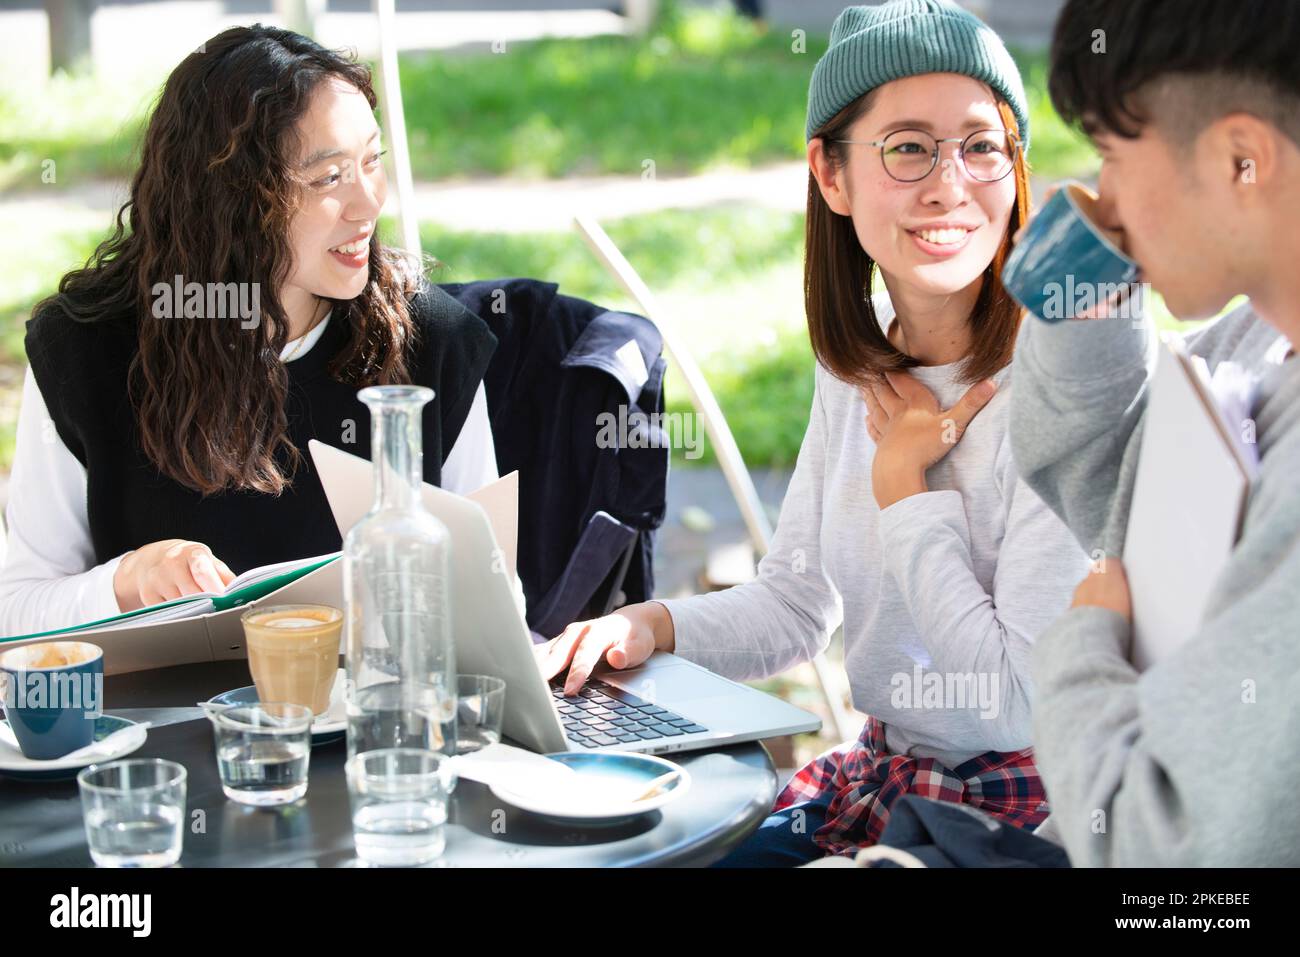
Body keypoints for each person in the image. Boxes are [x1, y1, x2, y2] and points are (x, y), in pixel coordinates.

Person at [536, 0, 1090, 865]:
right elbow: (798, 604)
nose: (950, 182)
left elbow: (1010, 705)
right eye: (908, 147)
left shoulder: (1061, 384)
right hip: (884, 775)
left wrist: (908, 495)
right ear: (830, 176)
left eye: (982, 145)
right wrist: (648, 625)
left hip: (1024, 813)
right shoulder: (857, 362)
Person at [0, 25, 498, 636]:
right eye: (328, 178)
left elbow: (497, 605)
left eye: (372, 161)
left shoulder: (432, 341)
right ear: (233, 201)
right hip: (157, 729)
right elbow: (16, 614)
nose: (368, 203)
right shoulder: (86, 348)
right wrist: (127, 579)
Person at [1010, 0, 1300, 865]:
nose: (1104, 194)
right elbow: (1128, 505)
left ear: (1241, 158)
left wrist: (1081, 647)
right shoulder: (1259, 337)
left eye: (1110, 154)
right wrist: (1082, 301)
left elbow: (1165, 854)